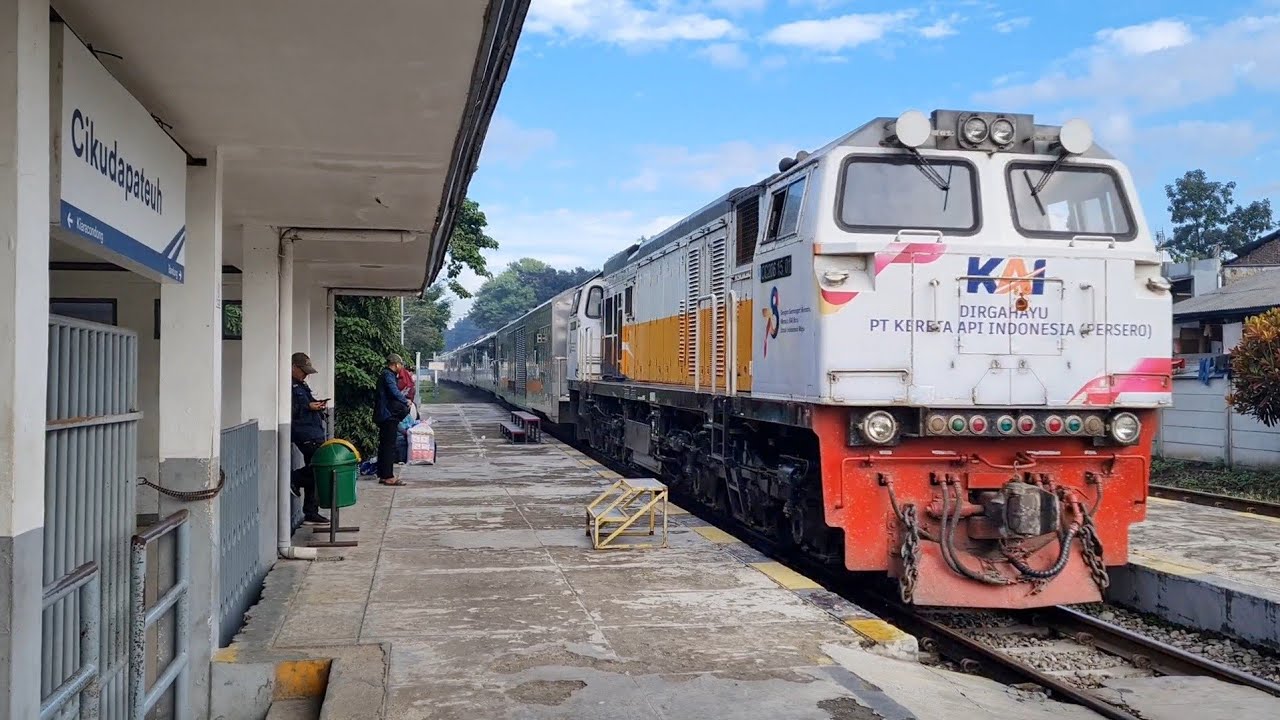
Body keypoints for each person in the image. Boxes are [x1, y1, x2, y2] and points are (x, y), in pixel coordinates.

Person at [290, 352, 330, 525]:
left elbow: (309, 402)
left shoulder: (302, 385)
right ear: (293, 367)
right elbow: (291, 410)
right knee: (319, 466)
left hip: (313, 430)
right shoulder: (289, 387)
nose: (305, 374)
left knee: (315, 469)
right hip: (305, 433)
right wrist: (308, 406)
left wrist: (318, 404)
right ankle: (294, 478)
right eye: (303, 371)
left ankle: (311, 512)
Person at [374, 353, 411, 486]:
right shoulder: (388, 375)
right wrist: (405, 401)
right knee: (389, 445)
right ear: (396, 364)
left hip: (384, 414)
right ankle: (388, 476)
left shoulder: (385, 374)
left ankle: (383, 474)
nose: (401, 367)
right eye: (400, 365)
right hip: (388, 415)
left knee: (384, 445)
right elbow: (394, 391)